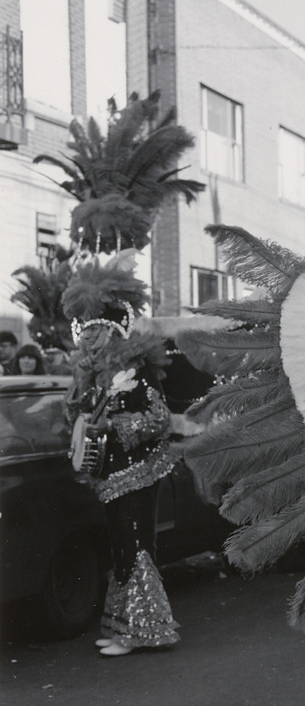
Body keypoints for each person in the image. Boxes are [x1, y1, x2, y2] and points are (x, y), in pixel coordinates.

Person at [62, 265, 180, 658]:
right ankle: (123, 627)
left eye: (93, 332)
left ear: (111, 332)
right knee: (120, 549)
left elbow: (160, 419)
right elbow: (77, 417)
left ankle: (145, 633)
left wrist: (114, 424)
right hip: (109, 475)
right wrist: (79, 389)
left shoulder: (137, 370)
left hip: (138, 472)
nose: (86, 340)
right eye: (84, 333)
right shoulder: (94, 375)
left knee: (135, 547)